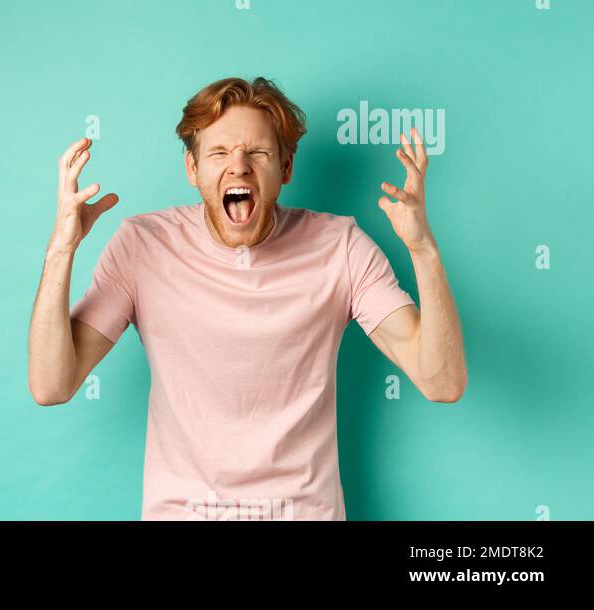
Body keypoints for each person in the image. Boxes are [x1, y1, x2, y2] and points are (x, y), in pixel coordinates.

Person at [26, 77, 467, 520]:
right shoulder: (142, 246)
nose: (238, 167)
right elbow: (51, 385)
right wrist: (61, 249)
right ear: (192, 169)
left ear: (286, 168)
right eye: (218, 153)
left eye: (257, 152)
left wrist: (423, 249)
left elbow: (442, 382)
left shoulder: (341, 247)